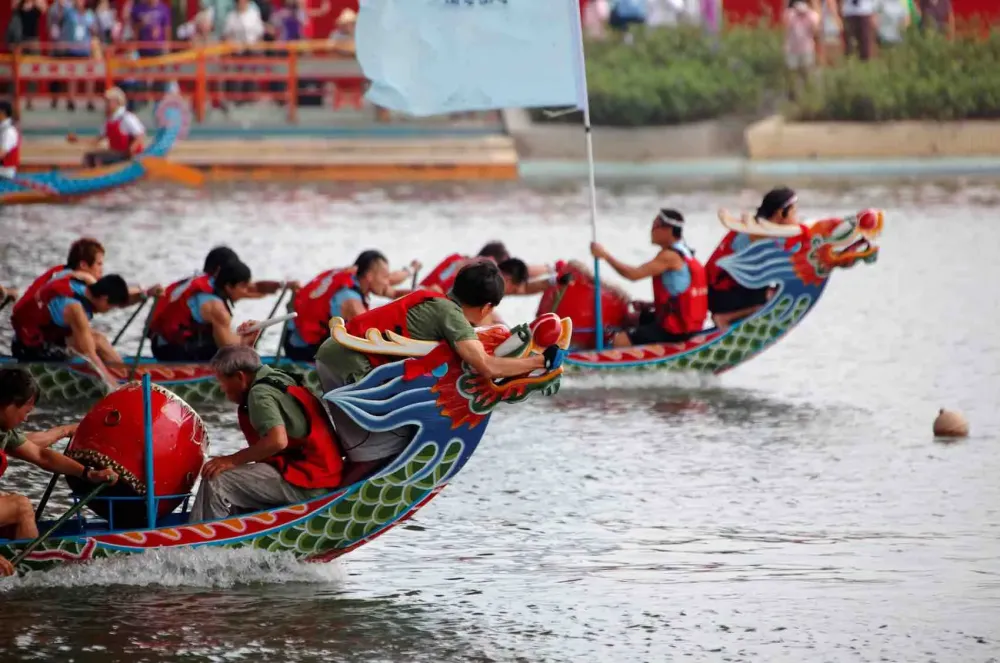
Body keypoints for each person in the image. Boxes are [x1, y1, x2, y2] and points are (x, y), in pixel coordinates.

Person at [315, 259, 563, 485]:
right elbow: (486, 366)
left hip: (338, 354)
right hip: (345, 361)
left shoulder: (436, 301)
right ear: (487, 307)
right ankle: (332, 499)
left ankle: (333, 485)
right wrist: (540, 362)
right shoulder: (451, 316)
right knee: (380, 451)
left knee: (385, 443)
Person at [188, 346, 344, 522]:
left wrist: (230, 460)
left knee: (216, 480)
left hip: (310, 481)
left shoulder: (259, 393)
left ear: (240, 376)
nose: (223, 389)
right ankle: (233, 528)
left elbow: (277, 441)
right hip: (325, 473)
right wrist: (245, 343)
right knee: (237, 478)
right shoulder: (277, 376)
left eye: (222, 382)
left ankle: (200, 541)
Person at [0, 367, 118, 575]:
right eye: (26, 411)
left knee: (19, 511)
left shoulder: (4, 431)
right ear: (8, 404)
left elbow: (41, 455)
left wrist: (88, 473)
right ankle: (33, 578)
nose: (26, 419)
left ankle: (26, 572)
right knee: (21, 507)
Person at [590, 209, 708, 348]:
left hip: (675, 330)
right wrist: (651, 305)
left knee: (618, 341)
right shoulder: (686, 253)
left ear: (668, 230)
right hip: (685, 324)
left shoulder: (669, 257)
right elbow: (679, 295)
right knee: (631, 319)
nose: (651, 230)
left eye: (655, 226)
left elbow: (633, 275)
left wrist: (605, 256)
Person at [705, 187, 805, 329]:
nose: (796, 218)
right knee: (777, 298)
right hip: (720, 293)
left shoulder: (764, 230)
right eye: (794, 212)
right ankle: (724, 317)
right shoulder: (754, 233)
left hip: (732, 288)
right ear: (780, 213)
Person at [10, 274, 131, 380]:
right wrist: (113, 386)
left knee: (97, 338)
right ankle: (121, 378)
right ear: (104, 299)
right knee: (95, 342)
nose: (109, 310)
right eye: (111, 307)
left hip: (26, 339)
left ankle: (125, 373)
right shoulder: (75, 309)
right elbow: (90, 354)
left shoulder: (78, 280)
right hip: (29, 350)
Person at [283, 250, 392, 361]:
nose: (388, 283)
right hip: (302, 349)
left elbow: (393, 282)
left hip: (294, 336)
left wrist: (408, 271)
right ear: (369, 276)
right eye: (385, 277)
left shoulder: (348, 275)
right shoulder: (350, 300)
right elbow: (371, 334)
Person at [148, 260, 256, 361]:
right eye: (243, 287)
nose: (246, 292)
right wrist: (247, 340)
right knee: (224, 352)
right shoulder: (216, 308)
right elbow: (227, 348)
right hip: (168, 350)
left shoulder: (208, 281)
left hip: (159, 342)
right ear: (228, 287)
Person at [16, 237, 161, 310]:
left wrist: (145, 293)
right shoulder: (73, 284)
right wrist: (146, 292)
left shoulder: (69, 276)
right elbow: (108, 300)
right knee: (97, 341)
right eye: (98, 264)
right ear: (83, 265)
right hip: (33, 343)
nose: (101, 270)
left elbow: (112, 299)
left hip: (34, 337)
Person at [67, 87, 146, 168]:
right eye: (106, 101)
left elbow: (140, 136)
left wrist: (131, 151)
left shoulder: (127, 118)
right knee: (89, 157)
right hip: (117, 154)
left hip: (130, 156)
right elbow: (97, 140)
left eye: (108, 101)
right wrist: (77, 140)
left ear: (117, 102)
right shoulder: (109, 120)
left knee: (98, 159)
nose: (106, 104)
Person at [0, 100, 20, 180]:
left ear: (2, 113)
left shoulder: (9, 131)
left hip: (5, 173)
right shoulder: (3, 129)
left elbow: (1, 153)